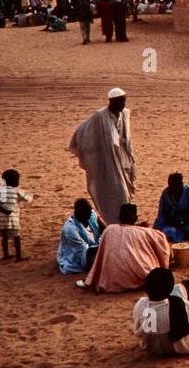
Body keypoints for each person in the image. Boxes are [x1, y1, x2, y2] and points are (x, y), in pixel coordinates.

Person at [68, 88, 136, 225]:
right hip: (107, 162)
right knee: (116, 193)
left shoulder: (125, 114)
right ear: (112, 101)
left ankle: (123, 221)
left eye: (124, 100)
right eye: (120, 100)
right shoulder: (99, 117)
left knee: (125, 194)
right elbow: (82, 132)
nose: (123, 103)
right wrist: (94, 151)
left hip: (123, 161)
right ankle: (115, 222)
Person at [78, 204, 169, 292]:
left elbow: (100, 258)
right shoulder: (145, 232)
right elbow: (162, 244)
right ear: (135, 218)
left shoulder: (109, 230)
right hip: (139, 278)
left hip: (112, 280)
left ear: (119, 218)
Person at [153, 172, 189, 243]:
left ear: (181, 184)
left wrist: (183, 221)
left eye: (175, 186)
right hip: (173, 225)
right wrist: (157, 229)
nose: (173, 189)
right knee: (164, 233)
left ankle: (184, 235)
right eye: (171, 186)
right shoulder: (166, 193)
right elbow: (162, 214)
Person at [0, 168, 32, 261]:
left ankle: (6, 254)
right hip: (12, 219)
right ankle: (19, 257)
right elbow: (28, 199)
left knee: (5, 237)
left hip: (1, 219)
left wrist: (0, 208)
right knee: (16, 237)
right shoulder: (17, 191)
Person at [57, 198, 104, 275]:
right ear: (79, 215)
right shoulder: (70, 229)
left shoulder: (91, 215)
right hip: (80, 256)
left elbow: (104, 228)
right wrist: (104, 247)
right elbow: (83, 252)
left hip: (95, 248)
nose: (90, 215)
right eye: (88, 214)